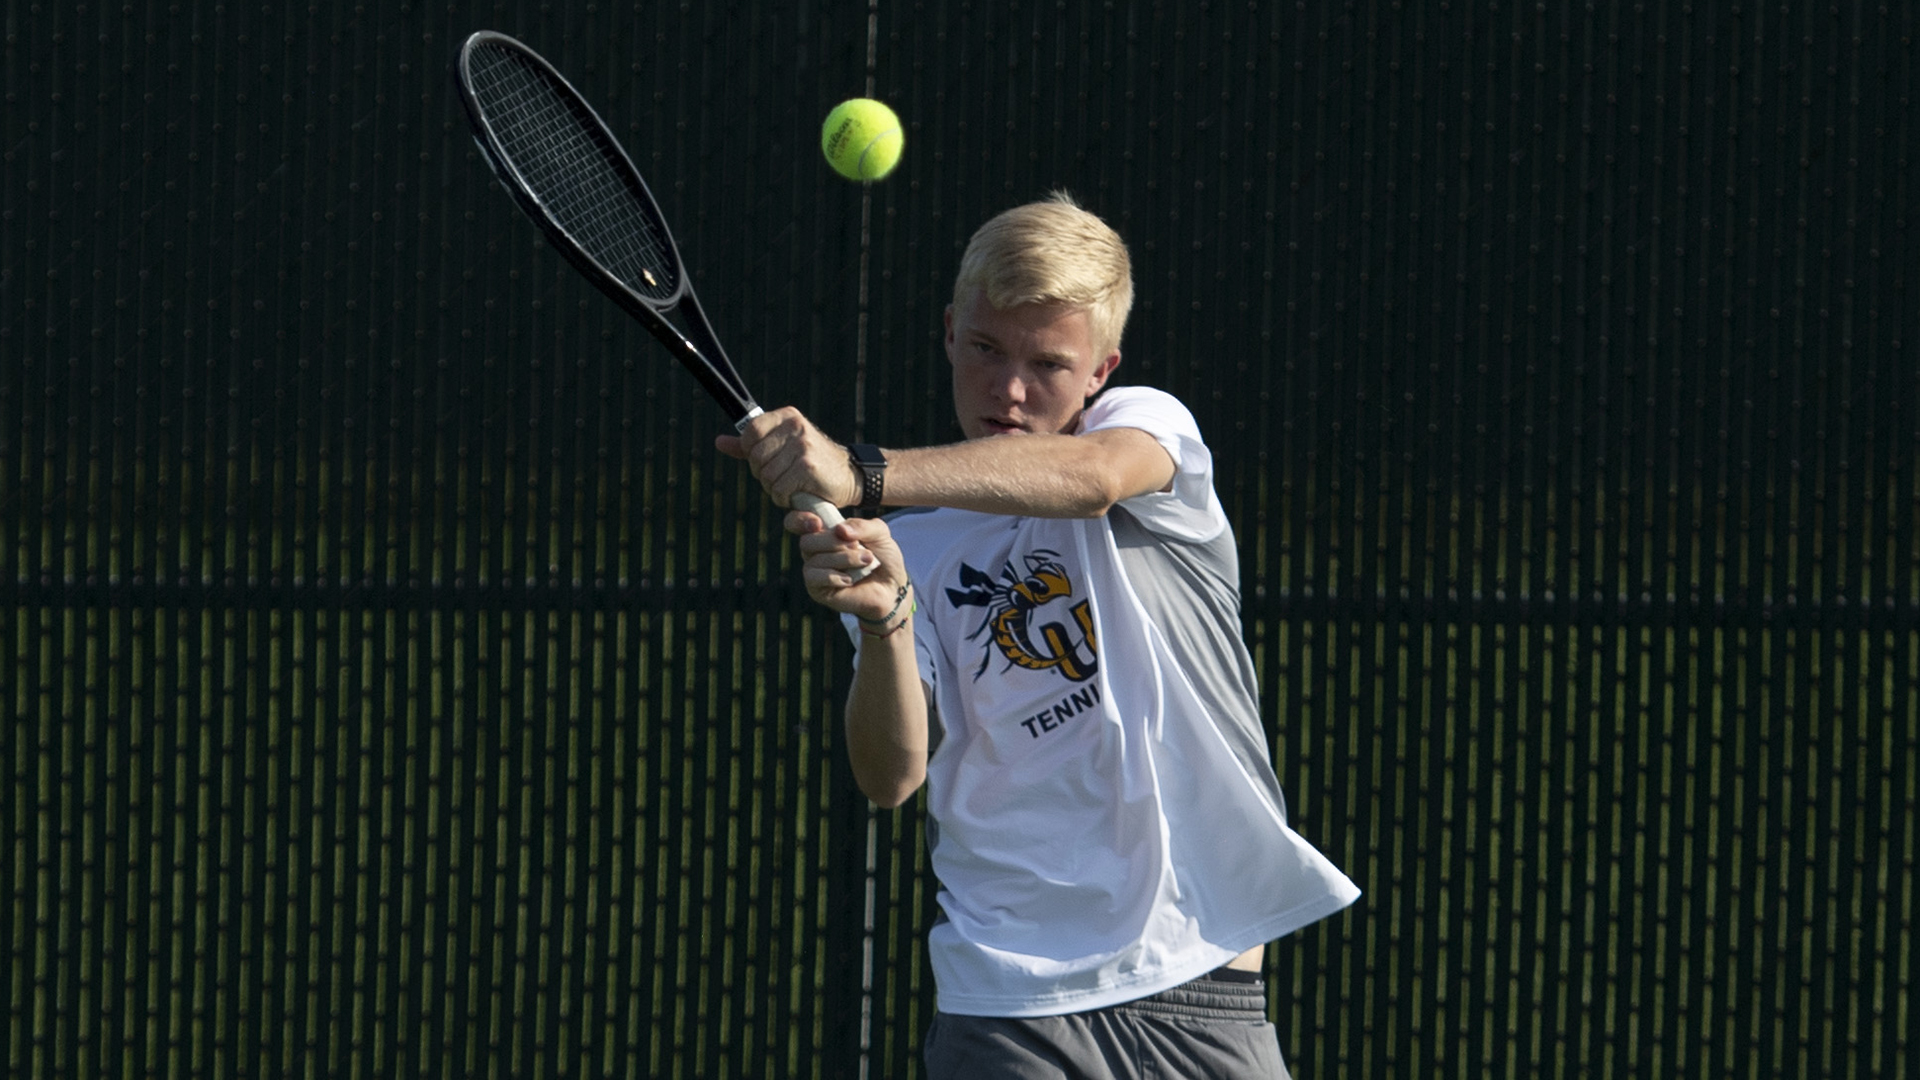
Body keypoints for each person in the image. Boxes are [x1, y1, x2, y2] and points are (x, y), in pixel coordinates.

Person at [718, 193, 1359, 1079]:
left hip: (1200, 990)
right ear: (949, 331)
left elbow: (1092, 479)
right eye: (985, 349)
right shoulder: (919, 544)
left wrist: (861, 473)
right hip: (1005, 1003)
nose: (1010, 389)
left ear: (1102, 370)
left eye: (1047, 364)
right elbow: (891, 776)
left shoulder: (1148, 432)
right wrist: (886, 623)